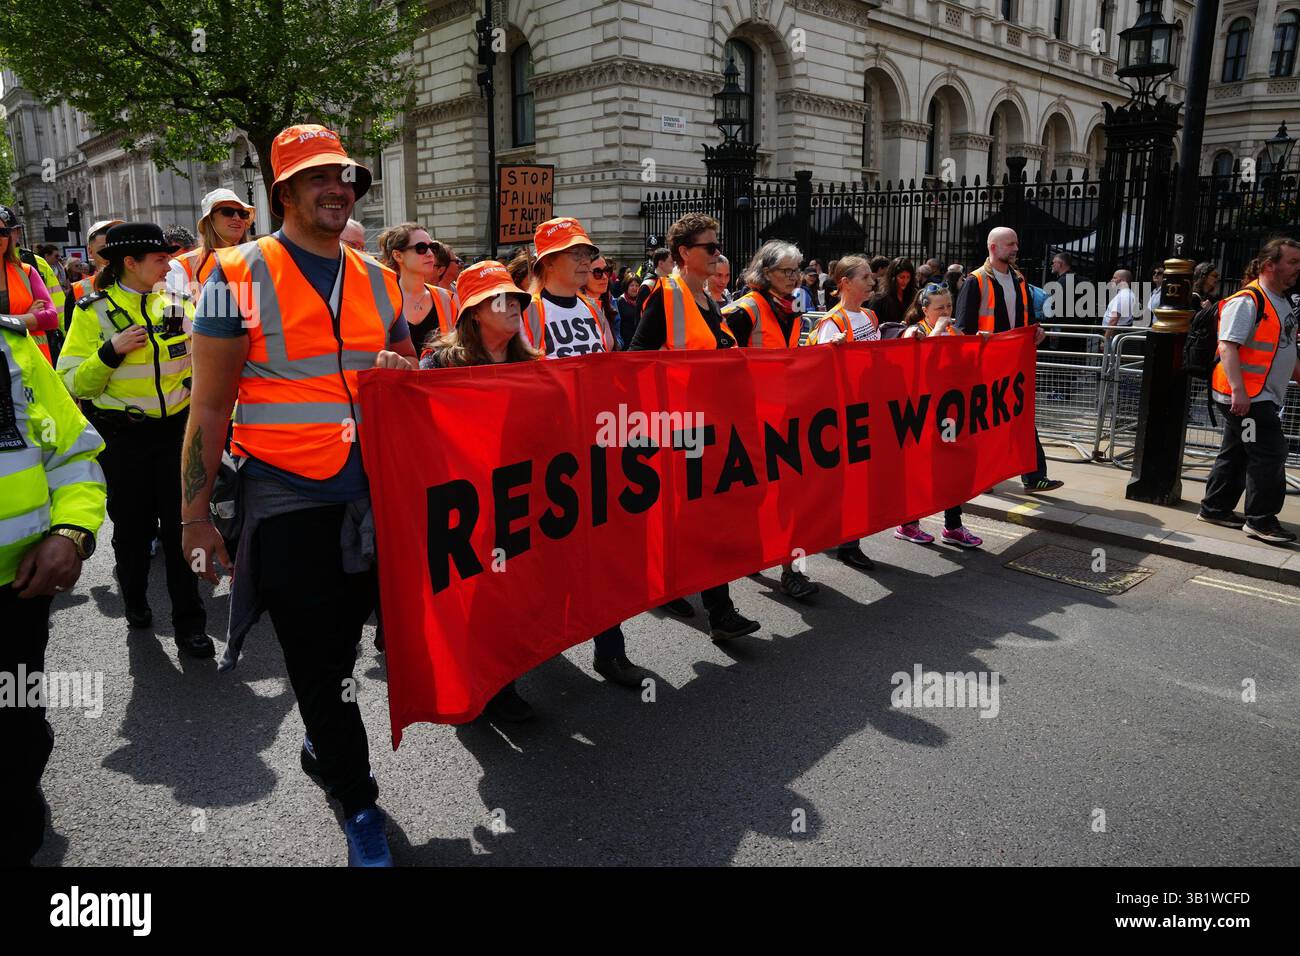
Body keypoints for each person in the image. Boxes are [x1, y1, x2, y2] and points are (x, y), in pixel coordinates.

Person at [180, 123, 415, 867]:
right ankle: (358, 797)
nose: (338, 188)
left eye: (346, 177)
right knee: (319, 662)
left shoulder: (379, 278)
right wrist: (195, 517)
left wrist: (401, 371)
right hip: (285, 503)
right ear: (282, 191)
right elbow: (209, 408)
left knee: (346, 649)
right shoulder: (236, 273)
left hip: (371, 501)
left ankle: (324, 738)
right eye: (319, 177)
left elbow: (409, 374)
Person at [57, 223, 213, 657]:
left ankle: (190, 625)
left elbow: (205, 365)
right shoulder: (93, 312)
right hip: (123, 438)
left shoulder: (180, 304)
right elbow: (69, 379)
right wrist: (110, 352)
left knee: (182, 527)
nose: (170, 264)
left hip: (176, 435)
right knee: (132, 530)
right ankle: (135, 599)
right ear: (131, 263)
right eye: (161, 258)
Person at [0, 305, 106, 867]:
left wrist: (71, 531)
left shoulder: (11, 348)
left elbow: (72, 453)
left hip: (16, 589)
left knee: (14, 724)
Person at [629, 213, 764, 640]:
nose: (718, 253)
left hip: (714, 427)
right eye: (709, 247)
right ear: (684, 253)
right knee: (703, 518)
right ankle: (719, 611)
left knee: (699, 516)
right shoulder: (664, 295)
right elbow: (636, 359)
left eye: (718, 245)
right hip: (678, 429)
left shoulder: (710, 302)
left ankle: (670, 583)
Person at [727, 239, 820, 601]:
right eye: (786, 271)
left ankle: (791, 570)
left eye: (797, 270)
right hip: (750, 422)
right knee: (754, 496)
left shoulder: (794, 307)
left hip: (785, 419)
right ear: (765, 274)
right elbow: (718, 364)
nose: (794, 277)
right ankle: (750, 551)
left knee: (790, 496)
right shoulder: (743, 310)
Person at [1198, 238, 1300, 544]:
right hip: (1248, 399)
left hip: (1255, 396)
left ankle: (1215, 508)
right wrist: (1240, 392)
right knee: (1269, 452)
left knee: (1239, 451)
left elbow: (1286, 349)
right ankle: (1261, 520)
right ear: (1270, 265)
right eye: (1292, 262)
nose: (1298, 268)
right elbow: (1228, 347)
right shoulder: (1248, 300)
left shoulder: (1281, 302)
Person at [956, 227, 1063, 493]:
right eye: (1010, 244)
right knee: (985, 425)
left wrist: (1037, 330)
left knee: (1023, 419)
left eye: (1016, 243)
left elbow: (1026, 319)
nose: (1016, 249)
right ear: (993, 247)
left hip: (1014, 364)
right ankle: (983, 476)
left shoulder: (1019, 279)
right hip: (985, 366)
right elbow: (963, 328)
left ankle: (1034, 476)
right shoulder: (975, 280)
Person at [803, 254, 879, 571]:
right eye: (864, 277)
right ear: (846, 283)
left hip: (866, 407)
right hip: (840, 413)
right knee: (838, 482)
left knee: (859, 479)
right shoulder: (831, 323)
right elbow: (816, 371)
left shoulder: (872, 317)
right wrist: (830, 353)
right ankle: (841, 541)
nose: (871, 281)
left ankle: (849, 540)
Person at [896, 282, 984, 548]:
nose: (946, 311)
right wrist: (937, 331)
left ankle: (953, 526)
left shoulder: (953, 331)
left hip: (949, 412)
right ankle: (908, 524)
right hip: (921, 413)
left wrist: (981, 342)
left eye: (949, 306)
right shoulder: (915, 330)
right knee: (922, 469)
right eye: (940, 307)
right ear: (925, 309)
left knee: (953, 468)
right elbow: (917, 359)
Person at [521, 217, 615, 358]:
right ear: (548, 262)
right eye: (576, 254)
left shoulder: (593, 308)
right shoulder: (526, 313)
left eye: (587, 254)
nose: (585, 261)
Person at [377, 222, 456, 357]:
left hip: (439, 377)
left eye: (433, 247)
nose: (430, 254)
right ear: (398, 255)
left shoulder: (448, 299)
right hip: (397, 377)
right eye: (421, 248)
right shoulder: (381, 300)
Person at [0, 205, 60, 365]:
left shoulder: (26, 271)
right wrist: (26, 318)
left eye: (3, 232)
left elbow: (51, 318)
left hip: (30, 366)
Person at [169, 188, 255, 297]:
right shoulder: (181, 266)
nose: (237, 218)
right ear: (209, 220)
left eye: (243, 213)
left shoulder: (256, 261)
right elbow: (177, 312)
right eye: (227, 212)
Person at [582, 253, 622, 348]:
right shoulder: (575, 308)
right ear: (582, 275)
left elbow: (617, 337)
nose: (604, 277)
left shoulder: (609, 306)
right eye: (597, 272)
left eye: (606, 271)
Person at [868, 256, 916, 326]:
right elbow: (874, 324)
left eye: (908, 277)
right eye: (901, 277)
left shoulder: (914, 295)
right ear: (892, 277)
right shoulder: (880, 299)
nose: (905, 281)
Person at [1101, 269, 1138, 340]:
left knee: (1111, 351)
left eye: (1114, 278)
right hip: (1115, 332)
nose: (1111, 280)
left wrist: (1105, 340)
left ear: (1122, 281)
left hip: (1114, 333)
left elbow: (1114, 320)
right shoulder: (1126, 294)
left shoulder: (1123, 295)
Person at [617, 274, 642, 345]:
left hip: (639, 342)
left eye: (637, 285)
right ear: (626, 286)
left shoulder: (642, 300)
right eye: (632, 285)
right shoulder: (620, 301)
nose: (635, 288)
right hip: (625, 343)